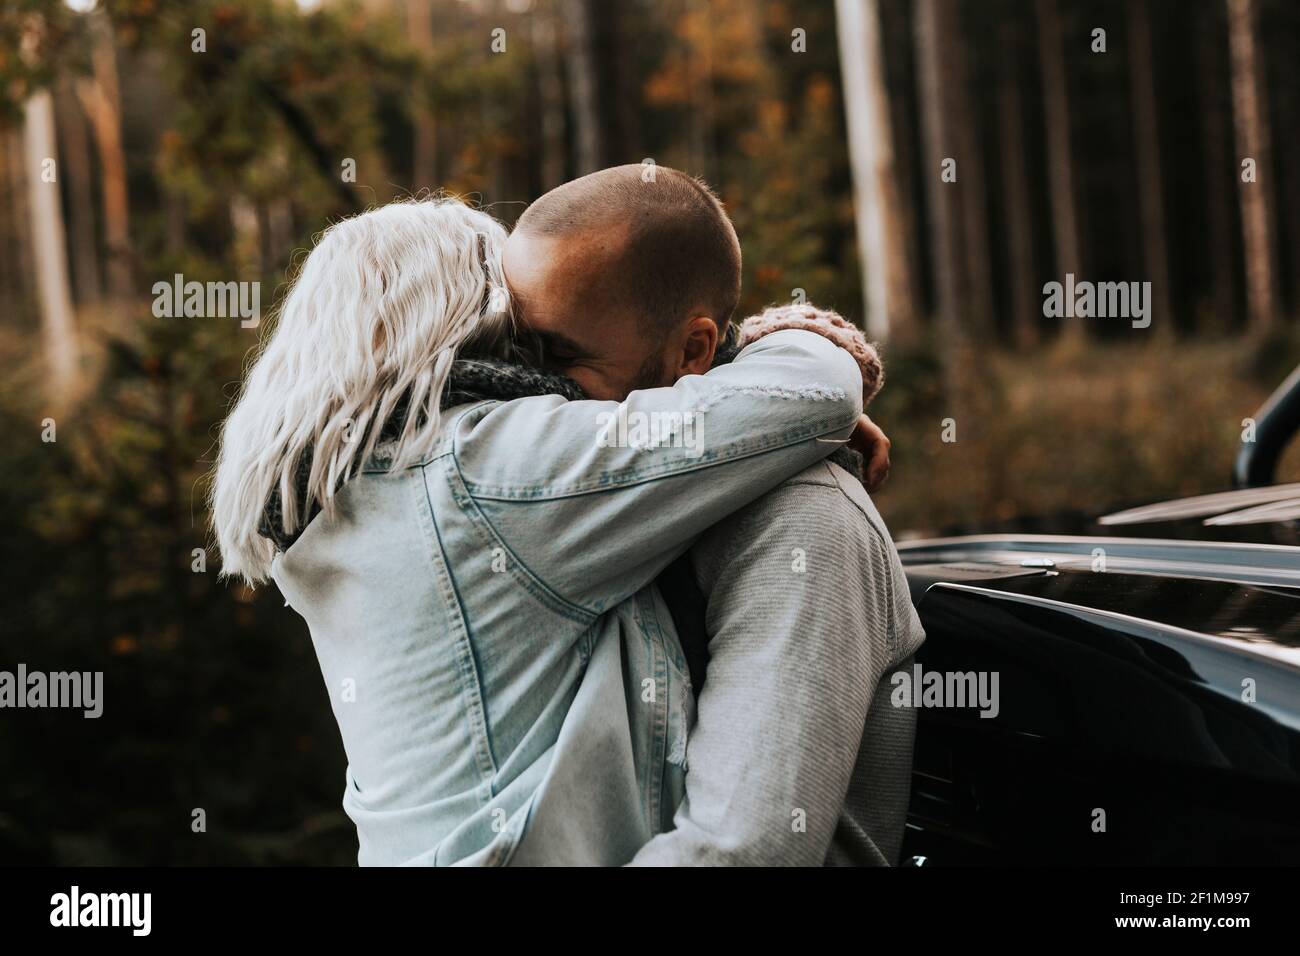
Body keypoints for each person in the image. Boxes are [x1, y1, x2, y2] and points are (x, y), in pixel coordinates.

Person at [209, 195, 874, 865]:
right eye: (524, 328)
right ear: (466, 315)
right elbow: (808, 394)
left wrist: (754, 406)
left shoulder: (345, 495)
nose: (532, 357)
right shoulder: (484, 466)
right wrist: (773, 360)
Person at [500, 165, 926, 866]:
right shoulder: (626, 490)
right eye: (516, 350)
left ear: (694, 351)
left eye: (560, 357)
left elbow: (736, 852)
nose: (528, 386)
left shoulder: (803, 522)